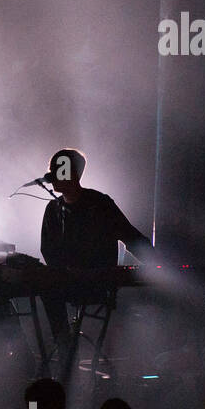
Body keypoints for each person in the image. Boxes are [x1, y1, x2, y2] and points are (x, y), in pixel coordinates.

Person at [39, 148, 151, 348]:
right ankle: (64, 349)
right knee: (45, 286)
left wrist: (158, 263)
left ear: (73, 174)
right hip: (67, 280)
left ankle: (64, 352)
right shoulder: (53, 209)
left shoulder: (100, 204)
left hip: (96, 281)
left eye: (57, 169)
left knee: (49, 288)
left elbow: (130, 236)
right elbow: (47, 249)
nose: (51, 174)